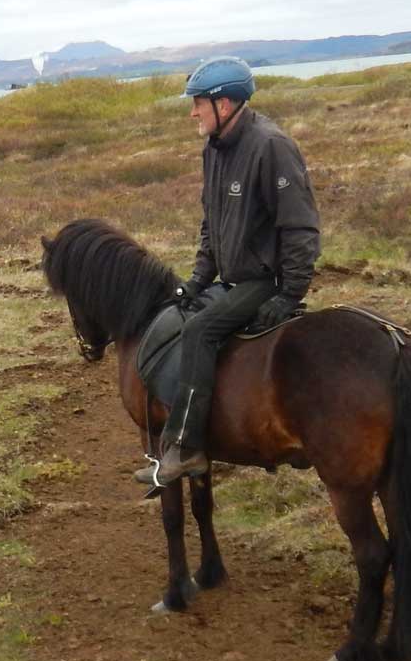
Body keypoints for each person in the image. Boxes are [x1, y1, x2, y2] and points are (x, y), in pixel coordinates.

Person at [137, 56, 321, 486]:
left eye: (198, 103)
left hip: (263, 281)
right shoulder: (215, 150)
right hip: (231, 278)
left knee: (201, 331)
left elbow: (299, 226)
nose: (192, 112)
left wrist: (288, 295)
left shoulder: (271, 146)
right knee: (186, 317)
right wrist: (199, 279)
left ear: (225, 104)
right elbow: (212, 222)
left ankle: (186, 447)